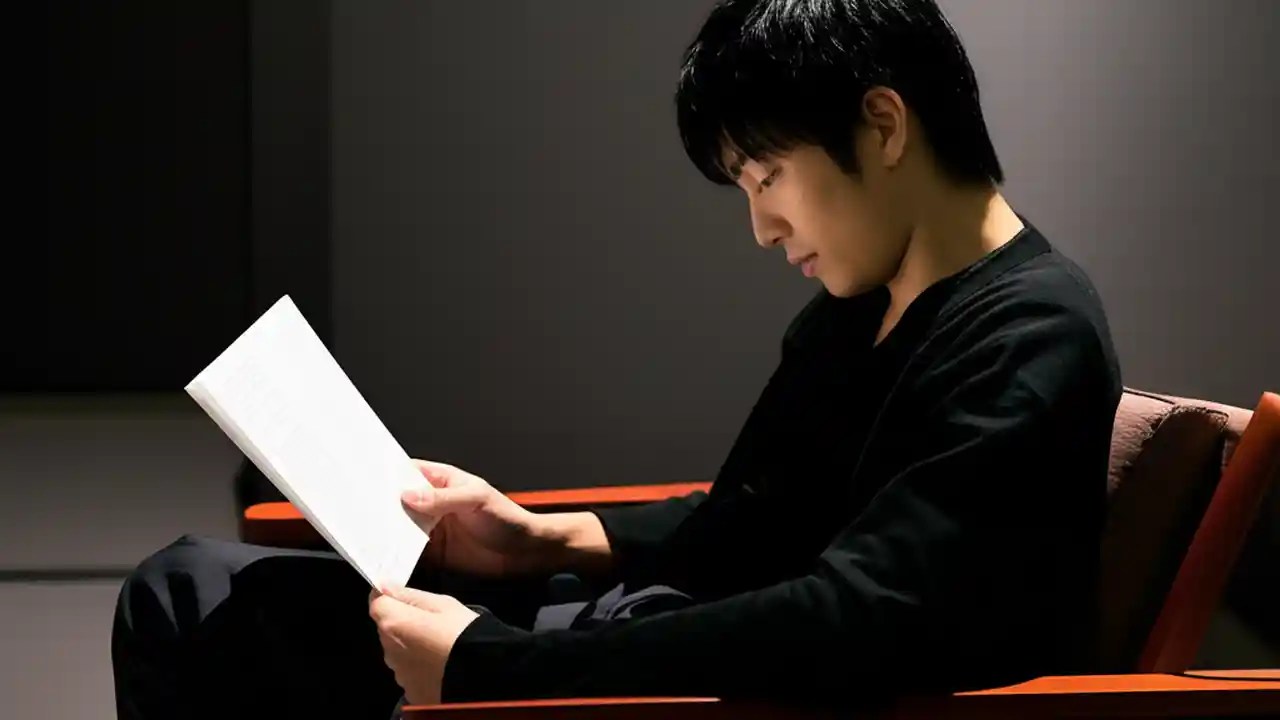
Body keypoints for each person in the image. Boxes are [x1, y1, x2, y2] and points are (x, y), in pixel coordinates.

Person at [112, 0, 1123, 717]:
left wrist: (492, 673)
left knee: (194, 606)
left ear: (884, 122)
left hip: (711, 691)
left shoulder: (1028, 331)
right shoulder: (858, 308)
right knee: (199, 588)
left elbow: (859, 618)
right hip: (677, 643)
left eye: (766, 174)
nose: (763, 228)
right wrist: (538, 540)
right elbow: (750, 525)